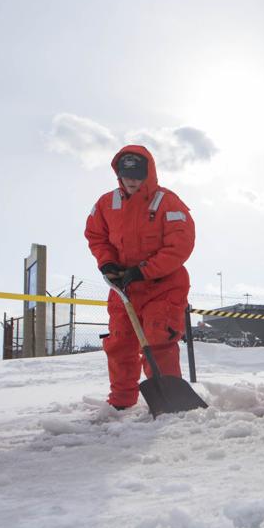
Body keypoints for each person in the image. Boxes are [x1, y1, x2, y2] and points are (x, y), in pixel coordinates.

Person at [85, 145, 195, 410]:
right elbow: (96, 237)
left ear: (149, 173)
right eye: (126, 175)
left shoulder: (168, 202)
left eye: (137, 175)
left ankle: (172, 402)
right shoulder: (105, 204)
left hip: (162, 285)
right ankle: (121, 402)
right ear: (118, 175)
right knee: (120, 343)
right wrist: (108, 263)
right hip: (124, 289)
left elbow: (180, 246)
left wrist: (144, 270)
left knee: (159, 338)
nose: (132, 181)